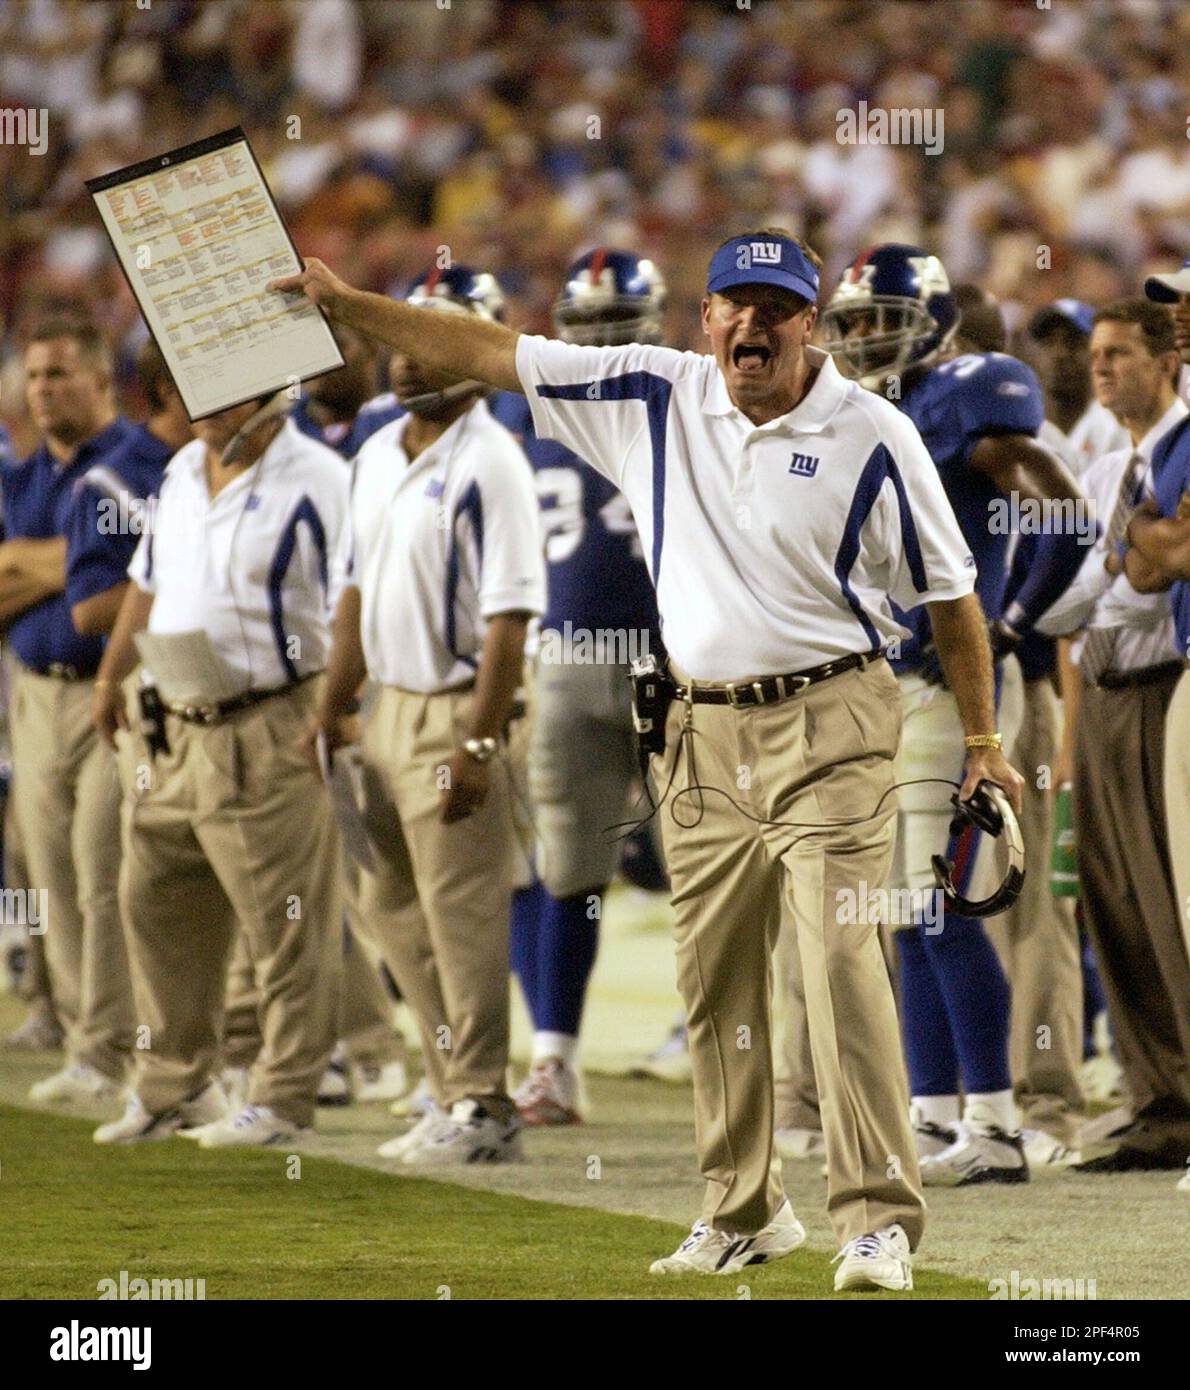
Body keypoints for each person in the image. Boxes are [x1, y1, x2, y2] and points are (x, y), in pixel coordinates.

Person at [274, 228, 1022, 1293]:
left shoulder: (873, 430)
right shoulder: (654, 392)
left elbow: (950, 596)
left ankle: (873, 1220)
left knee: (840, 964)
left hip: (836, 720)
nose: (752, 324)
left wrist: (983, 744)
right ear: (704, 315)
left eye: (775, 307)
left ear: (811, 322)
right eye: (734, 304)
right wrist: (349, 305)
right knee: (710, 976)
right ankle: (741, 1208)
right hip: (697, 728)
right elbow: (492, 351)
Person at [821, 244, 1085, 1188]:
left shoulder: (968, 392)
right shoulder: (867, 414)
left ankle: (998, 1123)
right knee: (903, 910)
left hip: (951, 687)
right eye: (850, 322)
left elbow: (1065, 513)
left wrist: (1011, 623)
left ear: (933, 320)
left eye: (881, 319)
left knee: (941, 906)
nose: (863, 337)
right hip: (897, 685)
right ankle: (933, 1116)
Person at [312, 264, 545, 1167]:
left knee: (463, 915)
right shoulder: (374, 453)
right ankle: (451, 1086)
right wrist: (333, 707)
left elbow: (509, 619)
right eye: (394, 343)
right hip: (385, 707)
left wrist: (480, 742)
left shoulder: (494, 461)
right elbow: (356, 594)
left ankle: (486, 1103)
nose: (404, 362)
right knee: (390, 909)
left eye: (426, 341)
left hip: (456, 708)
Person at [89, 390, 348, 1148]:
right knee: (155, 905)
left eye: (223, 389)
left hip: (268, 720)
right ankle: (176, 1084)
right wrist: (111, 678)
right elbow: (148, 580)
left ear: (274, 392)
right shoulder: (180, 470)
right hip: (172, 720)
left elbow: (350, 601)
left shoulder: (321, 478)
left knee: (285, 922)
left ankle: (284, 1098)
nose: (200, 404)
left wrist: (337, 707)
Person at [489, 247, 667, 1126]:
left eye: (613, 326)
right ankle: (555, 1059)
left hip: (676, 662)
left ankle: (759, 1054)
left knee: (723, 865)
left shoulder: (687, 400)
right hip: (563, 660)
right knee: (569, 870)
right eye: (584, 326)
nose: (598, 344)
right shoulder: (519, 414)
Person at [1036, 298, 1190, 1172]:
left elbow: (1148, 586)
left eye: (1120, 353)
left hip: (1166, 691)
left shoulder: (1182, 451)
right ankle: (1156, 1101)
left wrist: (1119, 575)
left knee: (1172, 905)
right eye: (1096, 353)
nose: (1100, 368)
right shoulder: (1100, 477)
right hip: (1099, 696)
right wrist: (1065, 736)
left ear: (1165, 362)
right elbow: (1072, 612)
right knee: (1114, 907)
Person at [2, 320, 137, 1105]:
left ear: (99, 380)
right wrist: (62, 568)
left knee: (107, 869)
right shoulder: (20, 481)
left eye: (59, 374)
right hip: (35, 693)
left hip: (111, 691)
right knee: (50, 877)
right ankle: (93, 1046)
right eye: (34, 376)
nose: (44, 389)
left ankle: (134, 1041)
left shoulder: (130, 462)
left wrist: (32, 564)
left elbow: (127, 579)